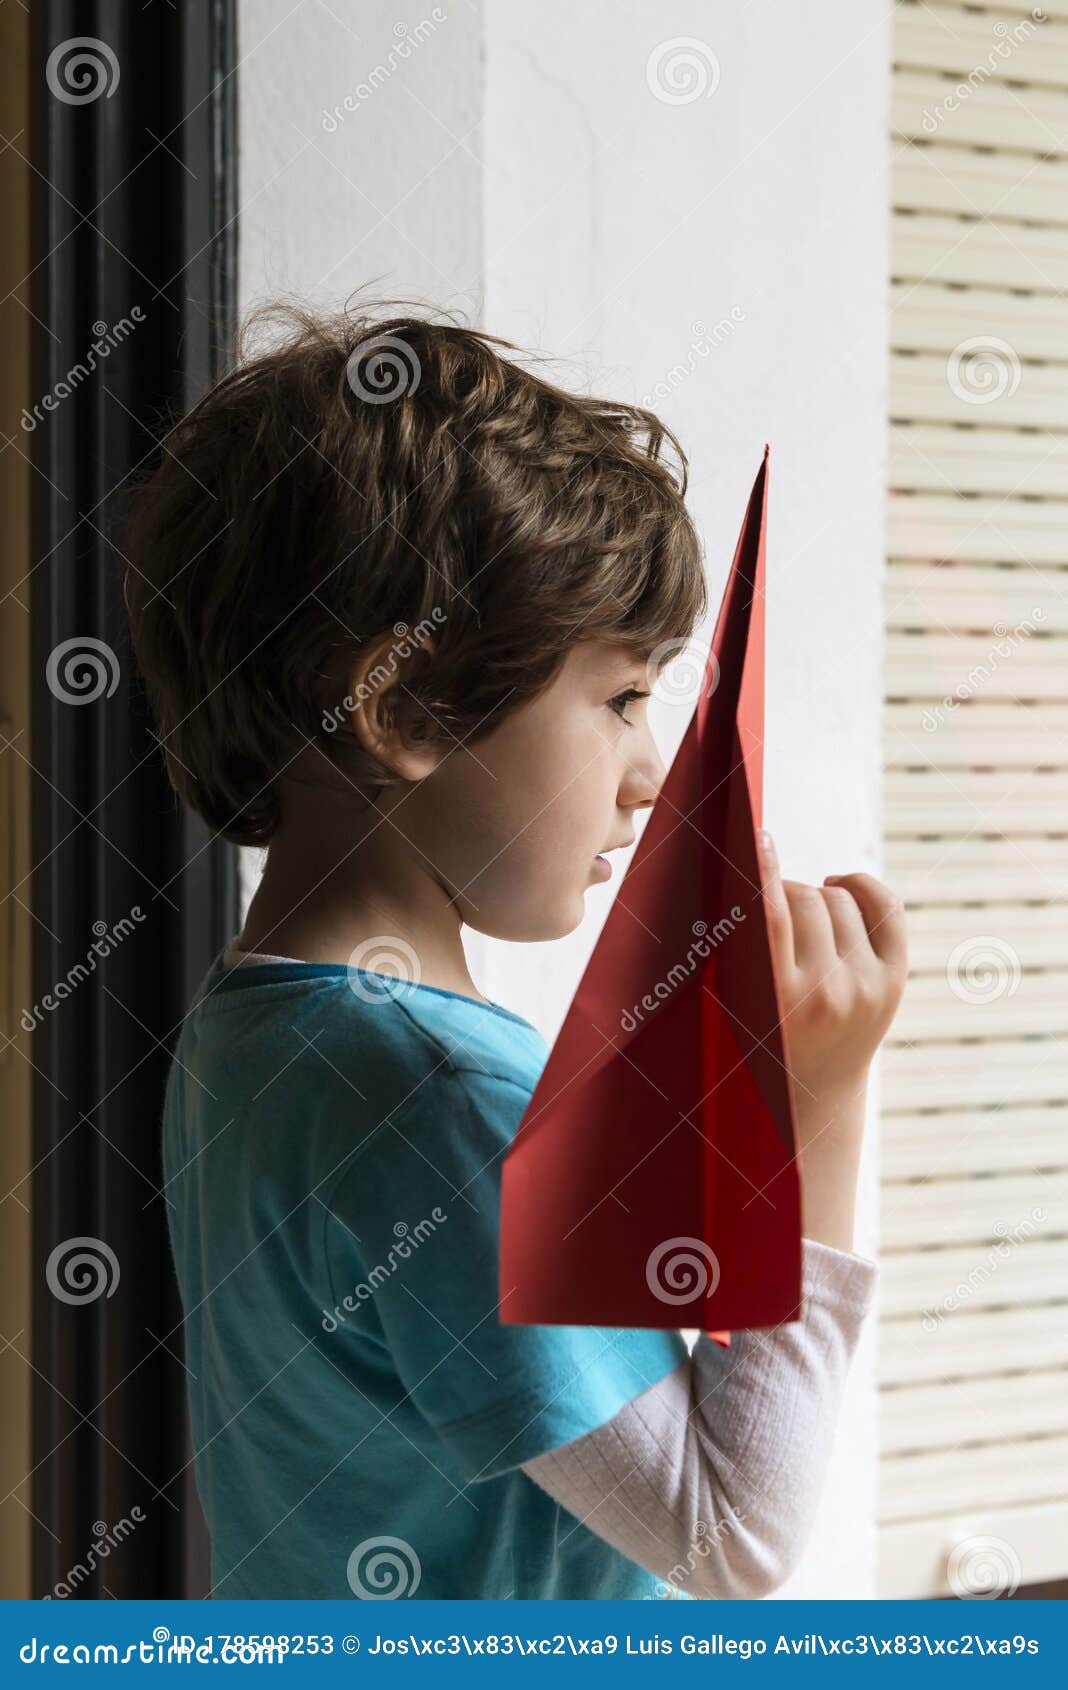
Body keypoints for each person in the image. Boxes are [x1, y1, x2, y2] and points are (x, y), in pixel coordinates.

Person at [123, 299, 908, 1600]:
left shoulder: (251, 1029)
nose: (651, 775)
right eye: (619, 698)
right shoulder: (436, 1094)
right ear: (401, 705)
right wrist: (814, 1107)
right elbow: (730, 1539)